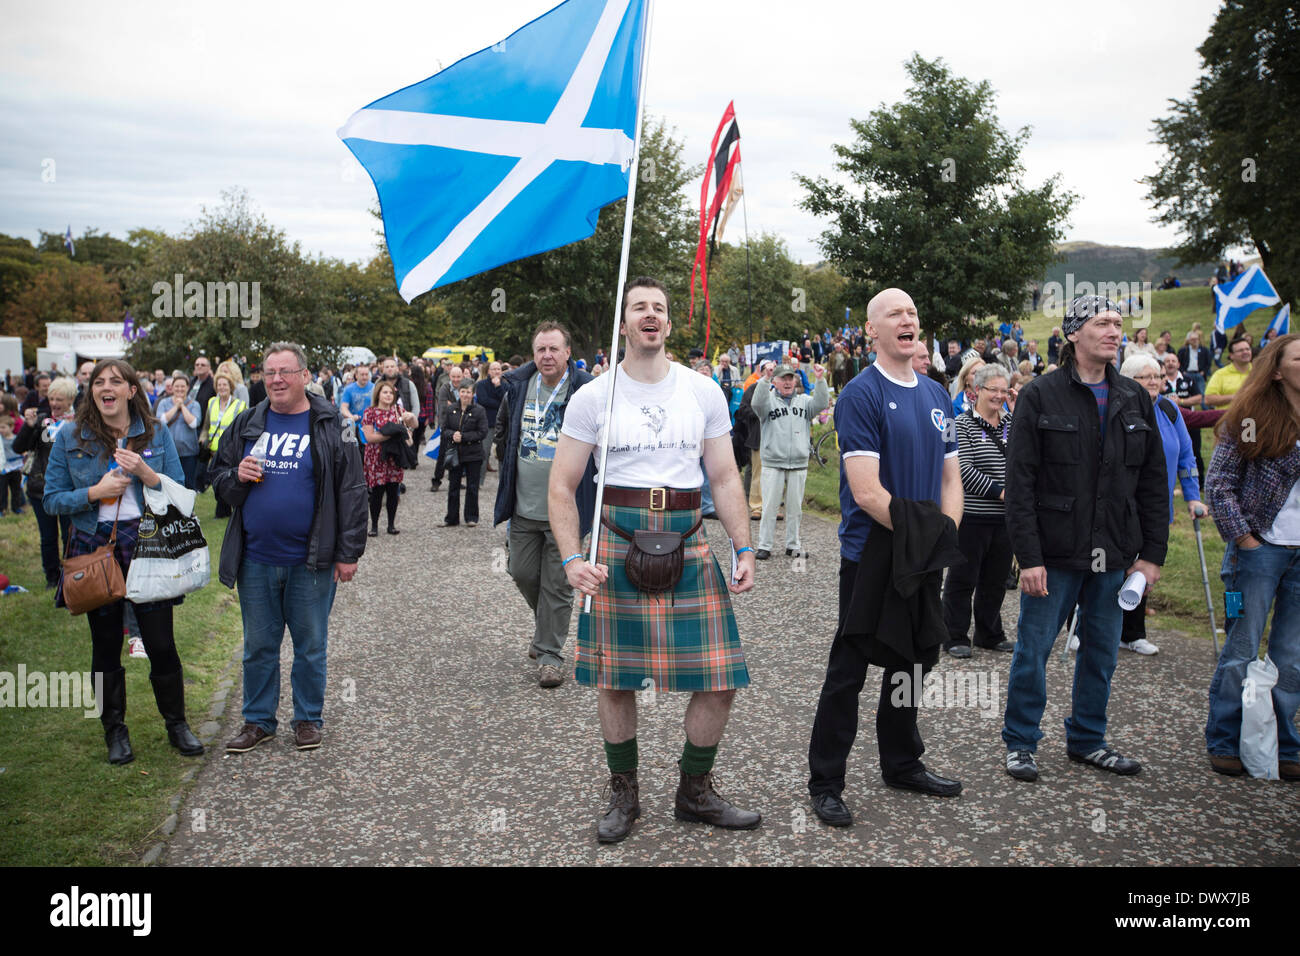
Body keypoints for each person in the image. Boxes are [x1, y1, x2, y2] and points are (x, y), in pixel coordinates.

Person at [550, 276, 760, 844]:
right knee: (615, 680)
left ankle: (695, 791)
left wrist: (742, 545)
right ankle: (624, 792)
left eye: (659, 308)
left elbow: (724, 476)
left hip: (688, 535)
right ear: (624, 324)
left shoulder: (702, 390)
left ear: (668, 323)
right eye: (638, 307)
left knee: (721, 678)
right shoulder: (593, 397)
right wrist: (572, 558)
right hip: (617, 539)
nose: (650, 315)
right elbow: (562, 486)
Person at [806, 287, 965, 829]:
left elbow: (951, 476)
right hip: (872, 550)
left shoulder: (937, 394)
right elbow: (867, 492)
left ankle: (902, 762)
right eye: (895, 313)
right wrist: (927, 534)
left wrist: (945, 533)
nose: (907, 319)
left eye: (913, 311)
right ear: (872, 330)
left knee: (915, 659)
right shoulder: (861, 394)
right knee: (849, 669)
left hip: (923, 547)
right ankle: (826, 781)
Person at [1001, 296, 1168, 783]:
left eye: (1118, 323)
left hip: (1113, 553)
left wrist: (1151, 555)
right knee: (1033, 651)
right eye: (1102, 323)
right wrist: (1029, 556)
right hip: (1054, 554)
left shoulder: (1133, 397)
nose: (1115, 331)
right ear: (1074, 333)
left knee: (1102, 653)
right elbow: (1020, 482)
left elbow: (1153, 481)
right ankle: (1021, 742)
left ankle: (1088, 739)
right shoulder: (1040, 395)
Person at [42, 358, 203, 765]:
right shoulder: (70, 435)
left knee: (160, 643)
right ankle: (114, 732)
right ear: (92, 391)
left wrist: (147, 473)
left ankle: (177, 725)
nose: (106, 387)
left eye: (115, 381)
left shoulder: (155, 431)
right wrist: (94, 493)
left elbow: (181, 489)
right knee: (106, 645)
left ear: (132, 390)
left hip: (148, 543)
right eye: (99, 382)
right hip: (96, 547)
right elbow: (51, 500)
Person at [211, 343, 368, 754]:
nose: (277, 380)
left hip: (311, 560)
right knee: (258, 647)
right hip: (256, 559)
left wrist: (348, 552)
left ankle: (307, 719)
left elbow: (353, 490)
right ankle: (258, 721)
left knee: (310, 646)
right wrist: (235, 476)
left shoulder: (334, 423)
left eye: (285, 372)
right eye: (269, 373)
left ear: (304, 376)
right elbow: (217, 478)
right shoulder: (247, 422)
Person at [1203, 333, 1300, 780]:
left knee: (1291, 656)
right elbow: (1219, 483)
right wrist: (1244, 539)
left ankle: (1283, 743)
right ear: (1277, 371)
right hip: (1257, 554)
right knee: (1241, 648)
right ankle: (1224, 739)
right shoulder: (1250, 419)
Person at [493, 322, 595, 687]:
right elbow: (503, 430)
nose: (547, 356)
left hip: (567, 510)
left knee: (559, 584)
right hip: (525, 505)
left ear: (568, 352)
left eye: (554, 349)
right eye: (541, 350)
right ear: (533, 354)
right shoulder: (519, 387)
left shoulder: (586, 390)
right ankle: (546, 629)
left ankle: (550, 655)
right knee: (520, 571)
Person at [1114, 354, 1206, 655]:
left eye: (1157, 376)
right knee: (1110, 568)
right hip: (1119, 505)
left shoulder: (1169, 409)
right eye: (1146, 377)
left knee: (1143, 567)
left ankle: (1132, 633)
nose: (1154, 381)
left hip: (1156, 507)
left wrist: (1192, 496)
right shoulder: (1118, 408)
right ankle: (1087, 627)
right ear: (1128, 380)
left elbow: (1187, 456)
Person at [943, 364, 1016, 658]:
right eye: (992, 390)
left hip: (1005, 519)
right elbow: (963, 470)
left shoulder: (1013, 423)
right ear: (976, 391)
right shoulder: (960, 424)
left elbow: (1024, 461)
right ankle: (954, 635)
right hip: (972, 517)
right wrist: (1002, 492)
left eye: (1003, 390)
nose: (998, 396)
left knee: (995, 581)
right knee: (963, 578)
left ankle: (989, 633)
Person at [751, 362, 828, 560]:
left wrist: (820, 380)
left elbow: (821, 403)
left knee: (795, 508)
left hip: (798, 462)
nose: (787, 382)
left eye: (790, 378)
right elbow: (756, 404)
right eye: (782, 378)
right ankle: (764, 545)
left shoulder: (804, 401)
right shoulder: (768, 401)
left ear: (795, 381)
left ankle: (793, 545)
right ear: (775, 381)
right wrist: (765, 379)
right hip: (773, 462)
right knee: (770, 507)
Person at [15, 377, 76, 587]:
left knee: (70, 535)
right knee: (48, 537)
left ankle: (72, 575)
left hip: (70, 490)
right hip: (41, 488)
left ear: (71, 400)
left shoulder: (79, 422)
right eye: (51, 399)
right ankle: (52, 577)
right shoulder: (42, 420)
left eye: (59, 399)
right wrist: (28, 426)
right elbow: (19, 447)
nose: (54, 404)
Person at [361, 380, 417, 536]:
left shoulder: (398, 410)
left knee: (393, 490)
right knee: (377, 493)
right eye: (385, 392)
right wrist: (393, 434)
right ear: (378, 394)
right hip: (377, 457)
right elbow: (369, 437)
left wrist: (411, 416)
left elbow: (414, 425)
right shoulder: (370, 412)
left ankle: (391, 525)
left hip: (395, 456)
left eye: (391, 393)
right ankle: (374, 526)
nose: (388, 395)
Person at [441, 379, 488, 527]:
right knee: (453, 487)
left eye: (468, 392)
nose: (465, 395)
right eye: (463, 391)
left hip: (473, 454)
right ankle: (451, 518)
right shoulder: (451, 409)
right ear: (459, 392)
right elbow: (444, 429)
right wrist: (452, 435)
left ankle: (471, 517)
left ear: (473, 394)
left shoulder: (479, 411)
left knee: (472, 487)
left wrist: (464, 437)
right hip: (456, 453)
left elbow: (482, 432)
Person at [205, 372, 247, 518]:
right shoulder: (212, 402)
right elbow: (207, 425)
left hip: (230, 450)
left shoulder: (240, 405)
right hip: (214, 449)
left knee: (226, 478)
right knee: (216, 477)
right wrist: (204, 439)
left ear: (231, 387)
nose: (222, 387)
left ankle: (224, 511)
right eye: (219, 385)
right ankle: (223, 510)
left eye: (225, 384)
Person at [155, 375, 202, 490]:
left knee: (188, 485)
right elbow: (161, 421)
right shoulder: (164, 403)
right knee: (170, 485)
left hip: (189, 453)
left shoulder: (194, 404)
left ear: (188, 388)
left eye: (182, 386)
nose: (179, 389)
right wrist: (176, 406)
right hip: (168, 452)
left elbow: (194, 423)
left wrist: (183, 406)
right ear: (172, 387)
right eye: (177, 386)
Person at [474, 361, 505, 476]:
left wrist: (498, 387)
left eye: (498, 369)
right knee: (484, 453)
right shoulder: (481, 384)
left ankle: (503, 481)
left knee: (502, 454)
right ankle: (479, 480)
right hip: (487, 424)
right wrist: (500, 404)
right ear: (488, 371)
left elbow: (507, 401)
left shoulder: (505, 385)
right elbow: (483, 400)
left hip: (502, 425)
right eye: (494, 369)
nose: (496, 371)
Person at [1204, 337, 1254, 407]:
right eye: (1240, 350)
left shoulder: (1259, 371)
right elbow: (1208, 400)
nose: (1245, 352)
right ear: (1231, 356)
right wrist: (1237, 397)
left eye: (1248, 349)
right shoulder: (1220, 374)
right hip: (1228, 414)